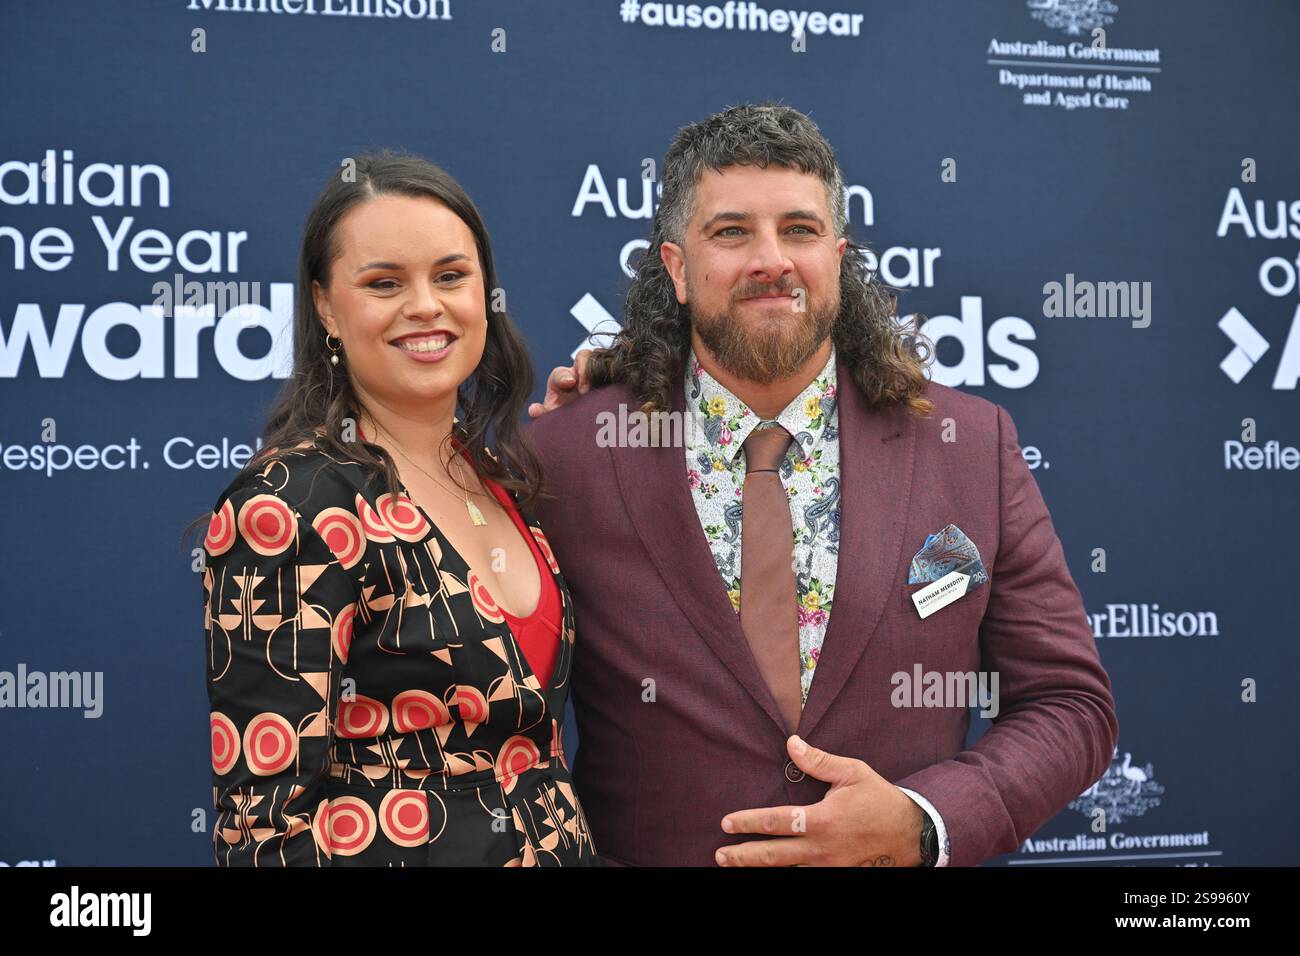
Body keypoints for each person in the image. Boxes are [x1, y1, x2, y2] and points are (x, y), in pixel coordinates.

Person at [528, 104, 1119, 867]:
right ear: (676, 268)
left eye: (799, 231)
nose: (770, 259)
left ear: (837, 258)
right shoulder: (567, 457)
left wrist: (922, 820)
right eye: (731, 231)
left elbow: (1071, 708)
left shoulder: (972, 448)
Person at [194, 152, 596, 866]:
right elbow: (262, 837)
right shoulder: (295, 503)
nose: (426, 306)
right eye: (384, 283)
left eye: (451, 277)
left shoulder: (502, 481)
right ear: (325, 306)